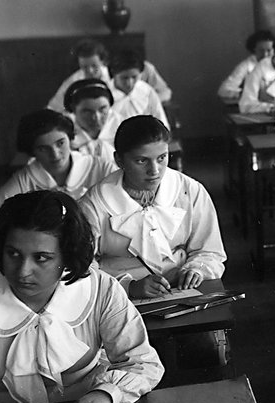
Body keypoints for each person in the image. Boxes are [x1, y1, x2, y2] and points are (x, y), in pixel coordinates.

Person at [0, 191, 164, 403]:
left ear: (67, 256)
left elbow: (143, 363)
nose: (23, 271)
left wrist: (107, 394)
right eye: (13, 254)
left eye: (42, 258)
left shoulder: (101, 290)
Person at [79, 116, 226, 299]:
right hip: (119, 297)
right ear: (119, 160)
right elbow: (82, 268)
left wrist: (196, 270)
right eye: (141, 161)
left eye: (162, 158)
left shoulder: (189, 190)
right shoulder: (93, 204)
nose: (154, 171)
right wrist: (129, 287)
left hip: (184, 289)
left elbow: (209, 250)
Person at [0, 111, 115, 234]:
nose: (55, 154)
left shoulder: (102, 168)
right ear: (32, 151)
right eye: (43, 149)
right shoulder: (26, 178)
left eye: (60, 143)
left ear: (70, 139)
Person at [107, 49, 170, 129]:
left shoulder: (147, 91)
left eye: (134, 77)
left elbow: (161, 121)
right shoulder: (105, 93)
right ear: (114, 74)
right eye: (124, 78)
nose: (129, 83)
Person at [46, 40, 111, 112]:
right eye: (85, 67)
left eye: (94, 65)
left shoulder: (113, 76)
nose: (90, 71)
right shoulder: (73, 81)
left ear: (103, 61)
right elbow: (54, 107)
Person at [64, 78, 117, 158]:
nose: (96, 118)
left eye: (102, 109)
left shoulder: (121, 126)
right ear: (74, 109)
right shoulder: (63, 133)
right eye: (87, 111)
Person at [217, 29, 274, 104]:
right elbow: (223, 90)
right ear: (254, 49)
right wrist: (248, 93)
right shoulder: (246, 65)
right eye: (261, 50)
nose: (265, 55)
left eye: (269, 50)